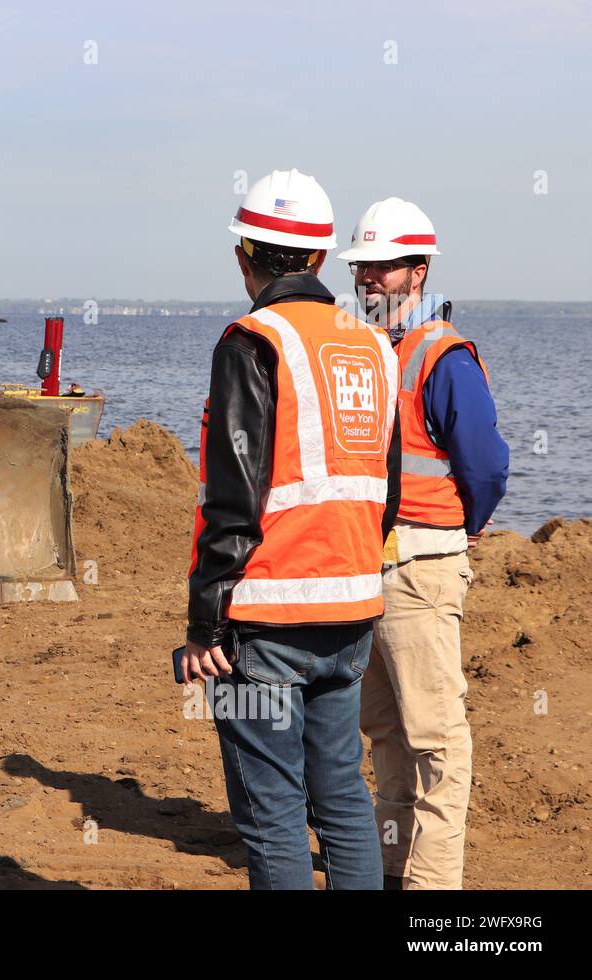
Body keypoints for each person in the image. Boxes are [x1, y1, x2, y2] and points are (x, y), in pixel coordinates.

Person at [183, 169, 401, 890]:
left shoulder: (252, 341)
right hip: (352, 615)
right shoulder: (372, 346)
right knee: (341, 796)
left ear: (245, 257)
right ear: (319, 259)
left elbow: (231, 501)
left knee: (274, 815)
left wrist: (205, 627)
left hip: (268, 623)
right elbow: (386, 492)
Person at [339, 198, 508, 890]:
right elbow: (487, 470)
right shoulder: (404, 352)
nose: (370, 278)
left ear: (419, 269)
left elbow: (482, 462)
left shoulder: (405, 354)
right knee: (428, 747)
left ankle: (398, 876)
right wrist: (471, 518)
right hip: (406, 570)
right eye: (364, 267)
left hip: (386, 566)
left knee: (404, 745)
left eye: (383, 266)